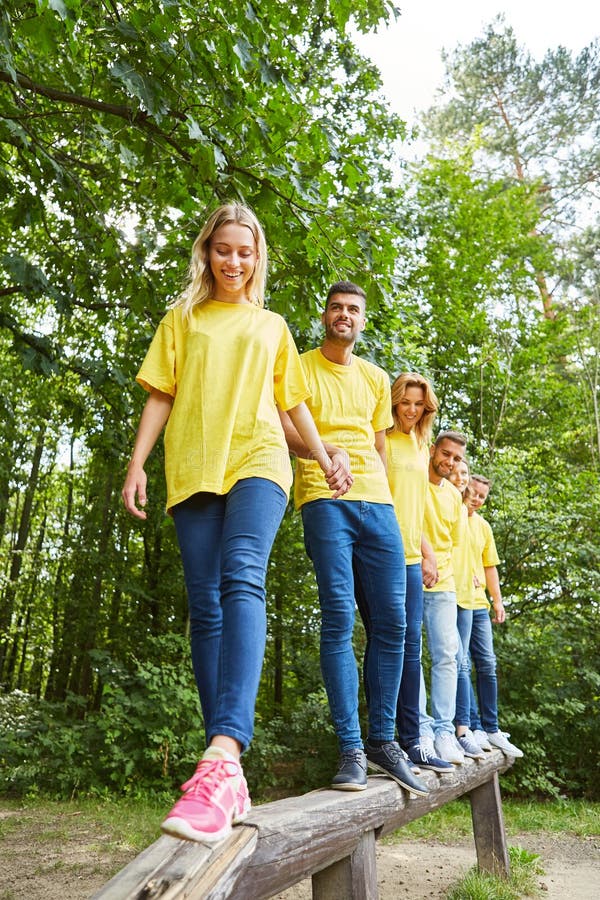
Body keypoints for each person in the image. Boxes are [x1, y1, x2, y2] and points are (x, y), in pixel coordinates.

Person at [121, 202, 351, 844]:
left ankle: (224, 751)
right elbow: (161, 394)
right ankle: (224, 770)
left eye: (245, 252)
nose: (233, 261)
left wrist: (324, 454)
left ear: (257, 259)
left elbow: (292, 404)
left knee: (241, 575)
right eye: (223, 249)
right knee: (205, 606)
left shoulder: (271, 325)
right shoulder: (182, 319)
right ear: (207, 252)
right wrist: (136, 465)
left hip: (259, 458)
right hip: (194, 464)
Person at [279, 281, 427, 797]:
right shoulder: (298, 366)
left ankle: (383, 742)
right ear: (325, 316)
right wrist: (325, 454)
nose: (344, 315)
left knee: (394, 623)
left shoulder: (376, 377)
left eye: (353, 310)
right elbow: (284, 431)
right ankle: (351, 751)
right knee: (339, 618)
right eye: (337, 308)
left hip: (378, 507)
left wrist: (385, 496)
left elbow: (380, 447)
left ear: (362, 321)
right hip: (324, 499)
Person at [383, 374, 453, 774]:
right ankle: (385, 740)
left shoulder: (419, 443)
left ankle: (415, 742)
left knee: (413, 648)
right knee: (388, 644)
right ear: (394, 402)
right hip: (384, 553)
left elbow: (415, 509)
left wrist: (427, 554)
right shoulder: (382, 438)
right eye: (405, 402)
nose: (411, 410)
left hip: (411, 557)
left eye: (419, 405)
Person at [419, 430, 468, 765]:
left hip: (443, 584)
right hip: (410, 573)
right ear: (433, 449)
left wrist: (443, 574)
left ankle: (443, 731)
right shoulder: (413, 478)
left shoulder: (453, 496)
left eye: (456, 458)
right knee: (410, 655)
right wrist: (426, 559)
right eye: (446, 454)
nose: (449, 462)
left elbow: (452, 545)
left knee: (447, 657)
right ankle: (421, 729)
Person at [465, 474, 523, 757]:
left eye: (482, 496)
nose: (476, 498)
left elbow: (490, 567)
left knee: (487, 663)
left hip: (479, 605)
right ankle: (472, 726)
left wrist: (497, 601)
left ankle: (491, 728)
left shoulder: (483, 527)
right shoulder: (451, 514)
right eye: (473, 492)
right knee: (461, 666)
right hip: (454, 600)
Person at [447, 460, 485, 760]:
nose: (460, 478)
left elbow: (467, 552)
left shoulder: (466, 513)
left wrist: (473, 574)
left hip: (465, 595)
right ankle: (460, 728)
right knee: (454, 662)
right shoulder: (447, 502)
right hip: (445, 590)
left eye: (464, 474)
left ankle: (468, 727)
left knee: (462, 663)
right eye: (456, 473)